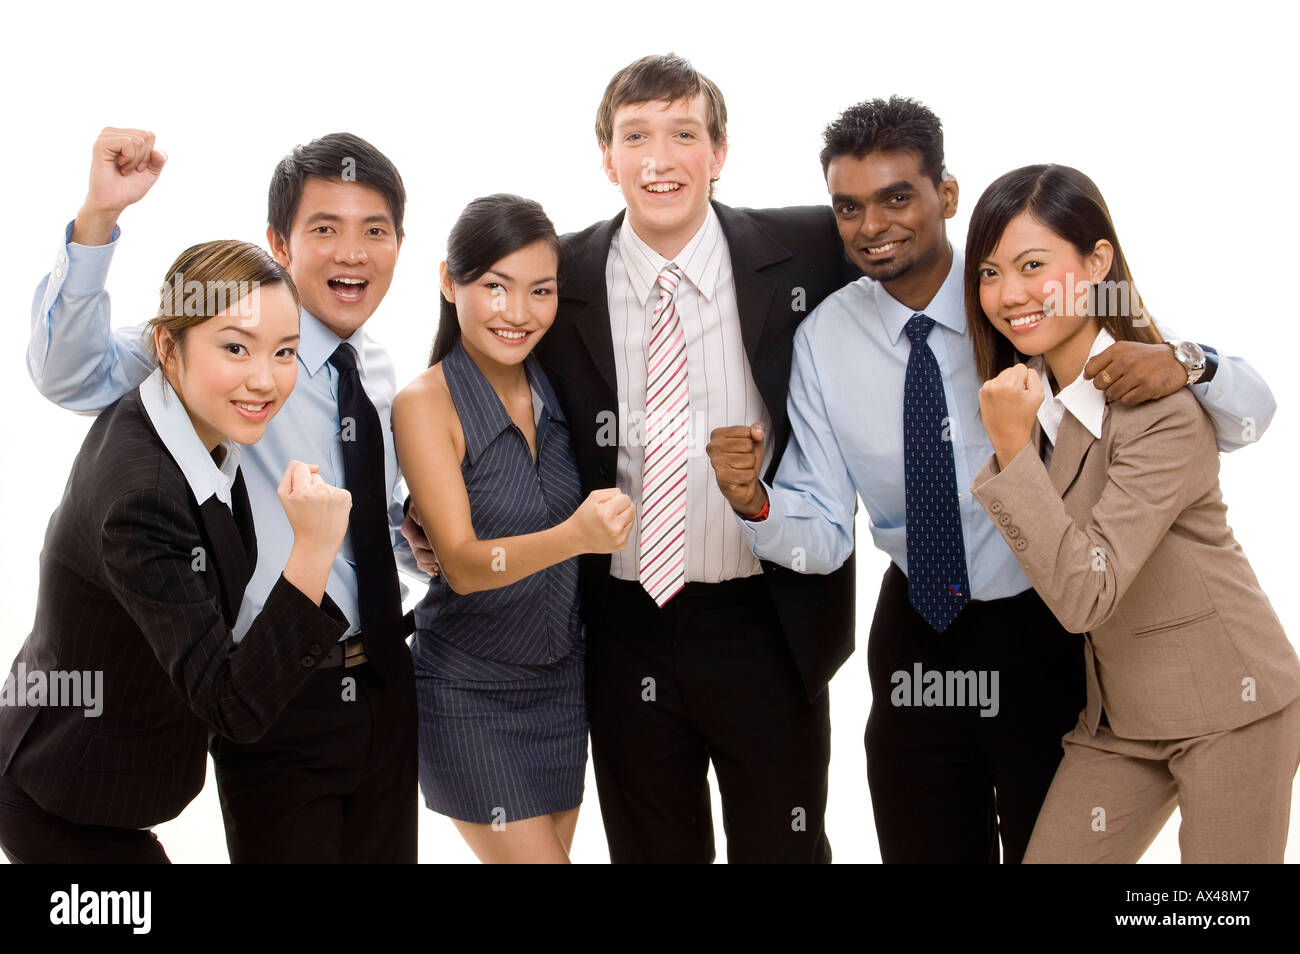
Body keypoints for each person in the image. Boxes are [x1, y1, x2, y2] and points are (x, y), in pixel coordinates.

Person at [705, 97, 1279, 862]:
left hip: (1047, 618)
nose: (873, 225)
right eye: (849, 207)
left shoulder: (1031, 314)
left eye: (897, 197)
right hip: (919, 622)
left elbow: (1237, 415)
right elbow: (824, 527)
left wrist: (1189, 362)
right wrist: (755, 502)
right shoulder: (829, 338)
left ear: (946, 195)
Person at [26, 128, 421, 862]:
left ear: (400, 244)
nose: (352, 253)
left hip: (385, 681)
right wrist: (98, 219)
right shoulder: (222, 330)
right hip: (275, 685)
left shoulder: (376, 367)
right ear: (279, 243)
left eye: (375, 230)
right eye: (325, 229)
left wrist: (410, 530)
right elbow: (70, 372)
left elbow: (363, 514)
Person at [968, 164, 1300, 863]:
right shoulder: (1035, 401)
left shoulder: (1160, 408)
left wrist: (1010, 451)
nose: (1009, 294)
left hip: (1232, 706)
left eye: (1033, 265)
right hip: (1120, 719)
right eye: (990, 273)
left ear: (1098, 263)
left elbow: (1085, 592)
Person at [0, 240, 354, 863]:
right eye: (236, 348)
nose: (265, 379)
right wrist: (313, 552)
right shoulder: (144, 499)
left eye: (284, 351)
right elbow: (231, 704)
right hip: (63, 803)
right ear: (167, 346)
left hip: (96, 786)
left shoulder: (185, 419)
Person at [393, 195, 633, 863]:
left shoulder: (560, 384)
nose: (518, 312)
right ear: (450, 282)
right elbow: (463, 564)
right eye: (495, 287)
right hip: (468, 690)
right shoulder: (425, 402)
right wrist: (577, 536)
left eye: (541, 291)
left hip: (561, 684)